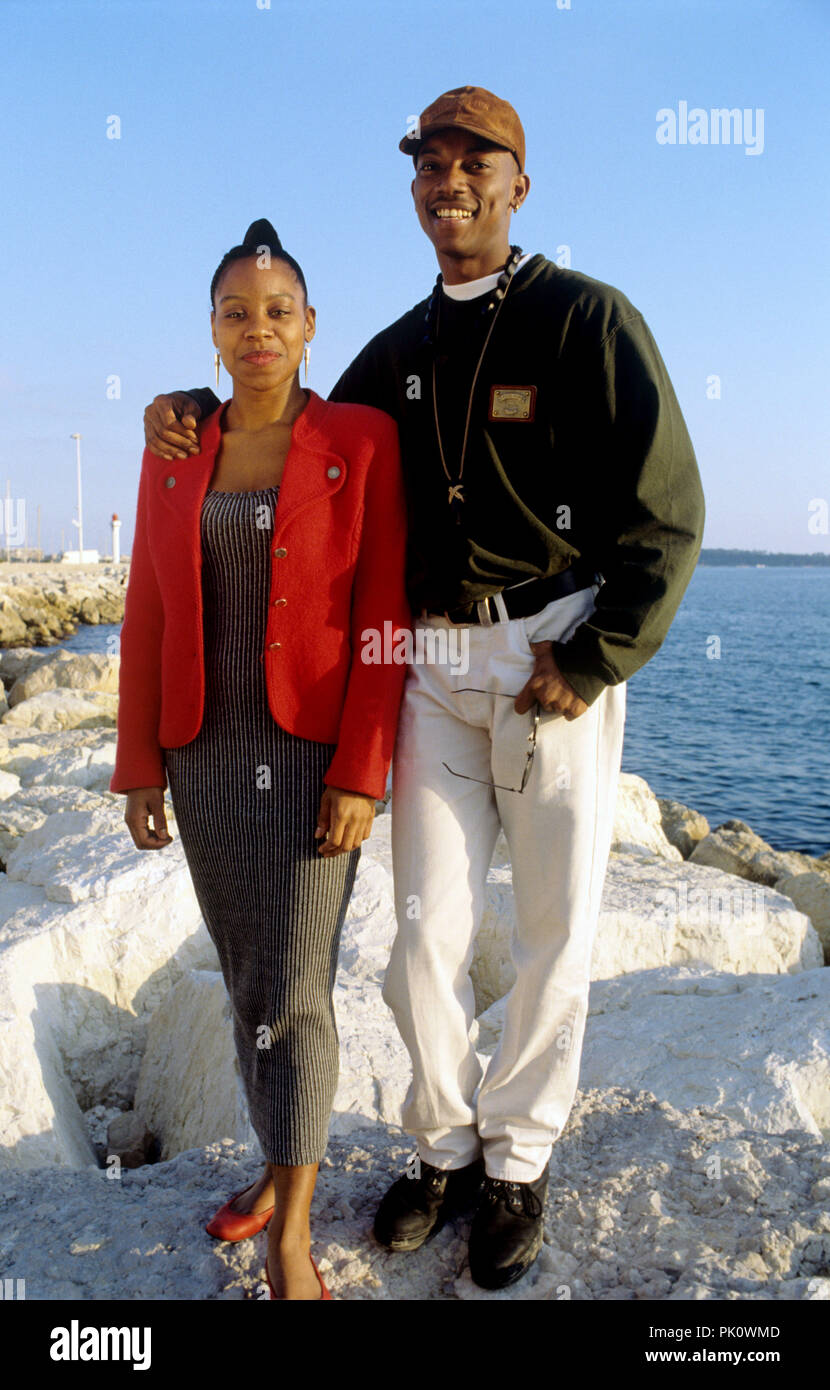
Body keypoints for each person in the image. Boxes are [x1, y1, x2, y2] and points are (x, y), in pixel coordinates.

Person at [143, 86, 706, 1292]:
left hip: (548, 655)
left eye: (472, 164)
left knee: (551, 930)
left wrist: (597, 653)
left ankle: (517, 1163)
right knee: (420, 935)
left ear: (516, 183)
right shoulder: (395, 349)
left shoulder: (584, 319)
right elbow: (292, 416)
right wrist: (189, 411)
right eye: (429, 166)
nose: (447, 183)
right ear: (412, 190)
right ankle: (441, 1148)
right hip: (426, 670)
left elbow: (669, 512)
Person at [112, 218, 410, 1301]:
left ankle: (292, 1232)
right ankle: (275, 1171)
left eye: (277, 310)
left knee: (297, 989)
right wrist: (137, 762)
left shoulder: (363, 440)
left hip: (311, 756)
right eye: (236, 312)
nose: (258, 328)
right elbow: (146, 605)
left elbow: (384, 618)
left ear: (310, 326)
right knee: (250, 987)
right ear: (212, 331)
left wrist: (360, 774)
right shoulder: (174, 444)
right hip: (203, 756)